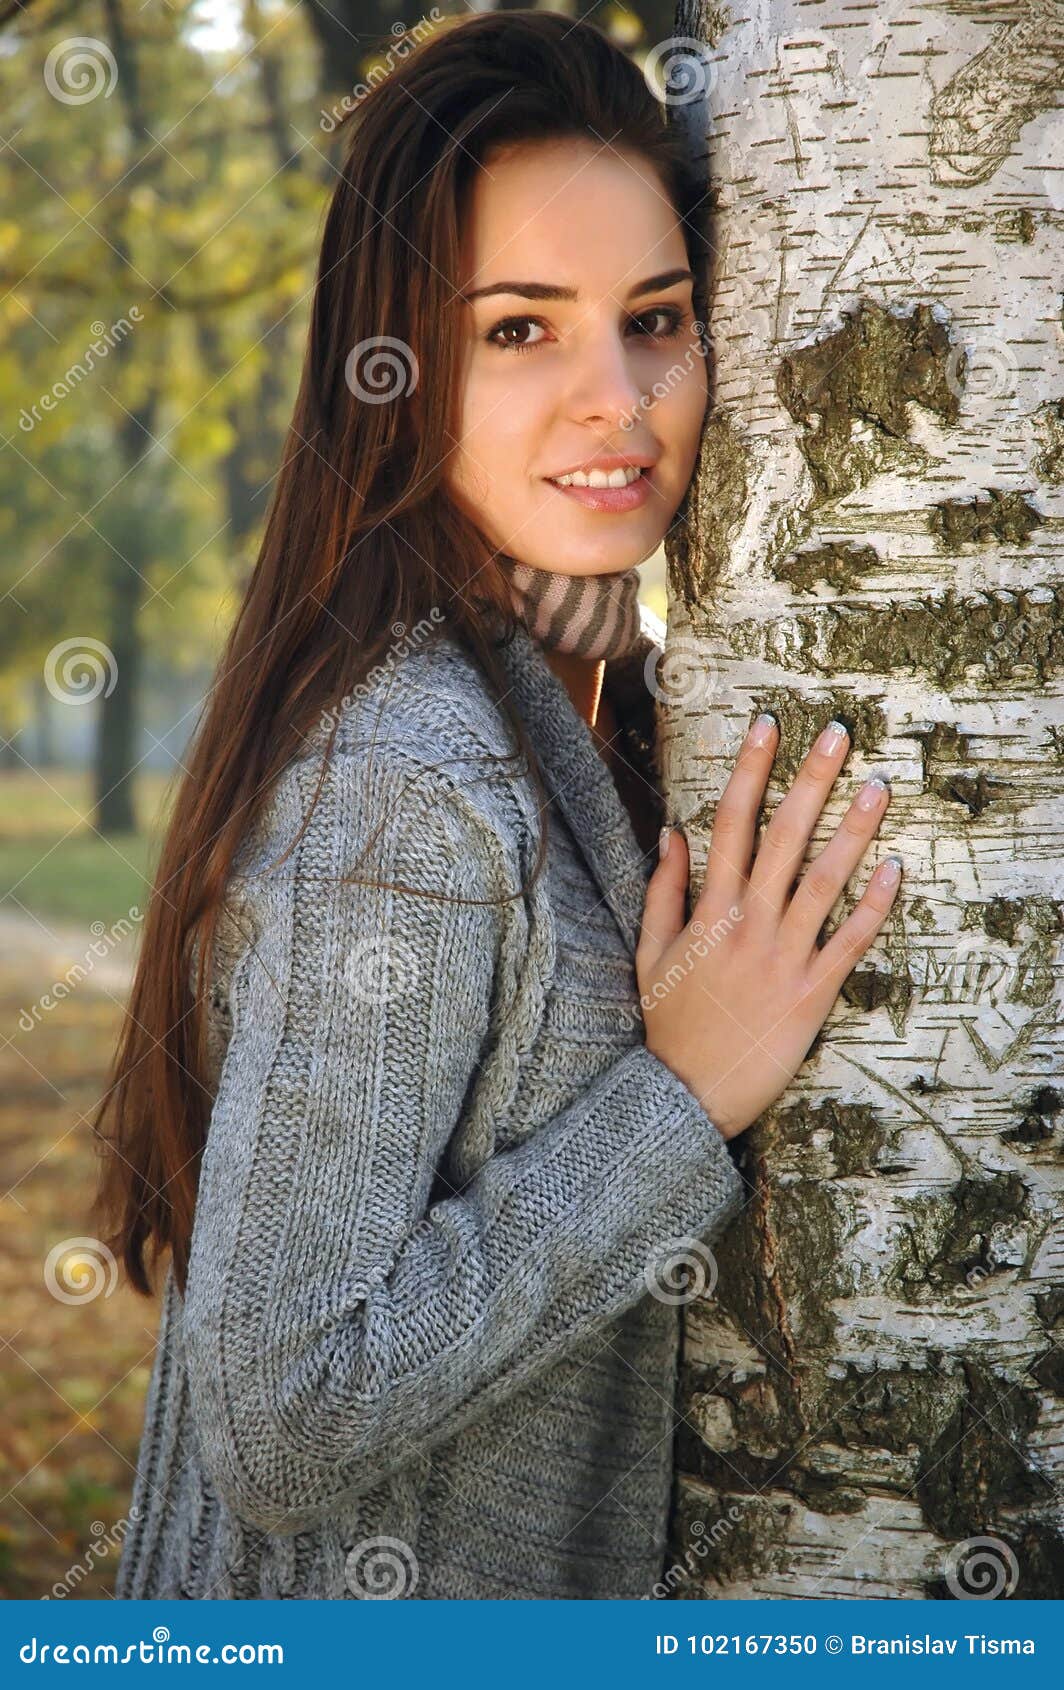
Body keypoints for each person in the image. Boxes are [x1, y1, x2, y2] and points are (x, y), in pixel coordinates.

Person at [91, 9, 899, 1601]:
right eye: (518, 330)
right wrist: (676, 1100)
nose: (621, 396)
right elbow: (282, 1408)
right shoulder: (406, 780)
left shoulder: (590, 696)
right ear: (391, 365)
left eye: (655, 319)